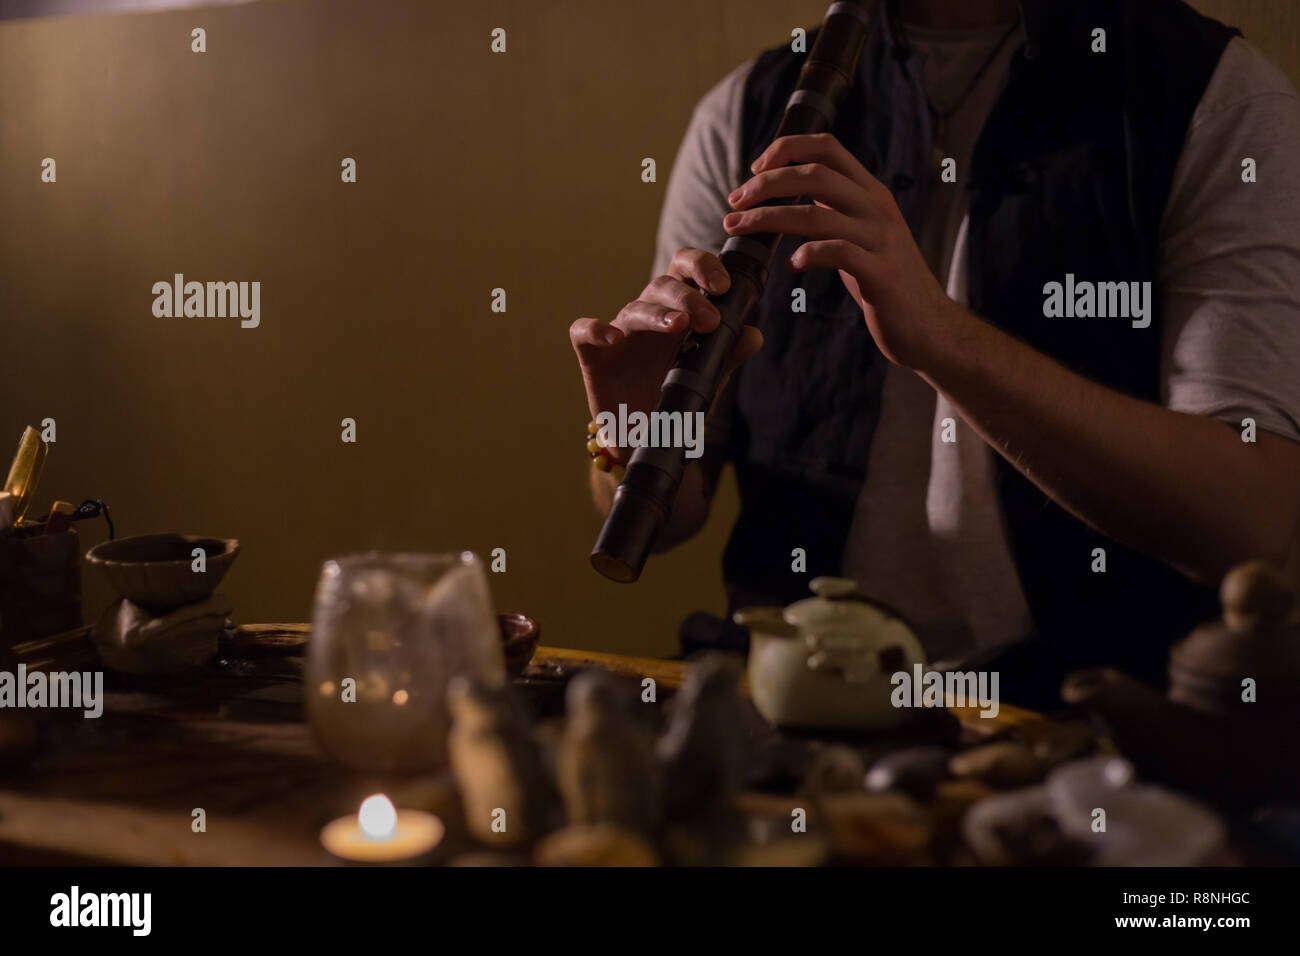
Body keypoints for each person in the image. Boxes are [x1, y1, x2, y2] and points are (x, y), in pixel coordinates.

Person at [569, 0, 1300, 703]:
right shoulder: (745, 110)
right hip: (787, 692)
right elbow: (665, 521)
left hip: (1075, 722)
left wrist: (942, 339)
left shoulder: (1216, 99)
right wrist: (639, 429)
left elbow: (1249, 522)